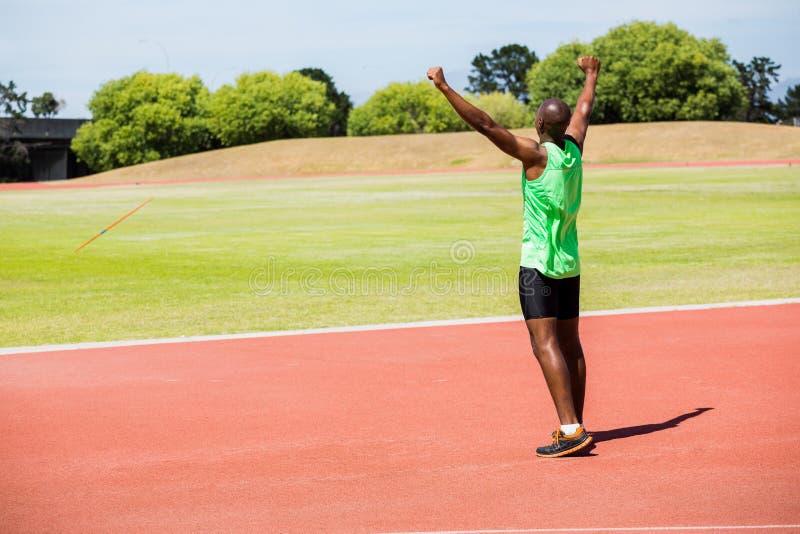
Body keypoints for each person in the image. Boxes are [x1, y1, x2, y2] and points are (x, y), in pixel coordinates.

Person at [427, 56, 600, 458]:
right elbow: (584, 109)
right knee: (571, 343)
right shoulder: (573, 148)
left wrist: (444, 87)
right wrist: (591, 74)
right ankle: (574, 423)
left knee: (544, 344)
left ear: (540, 126)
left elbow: (486, 125)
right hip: (569, 264)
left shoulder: (536, 157)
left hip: (538, 264)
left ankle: (571, 428)